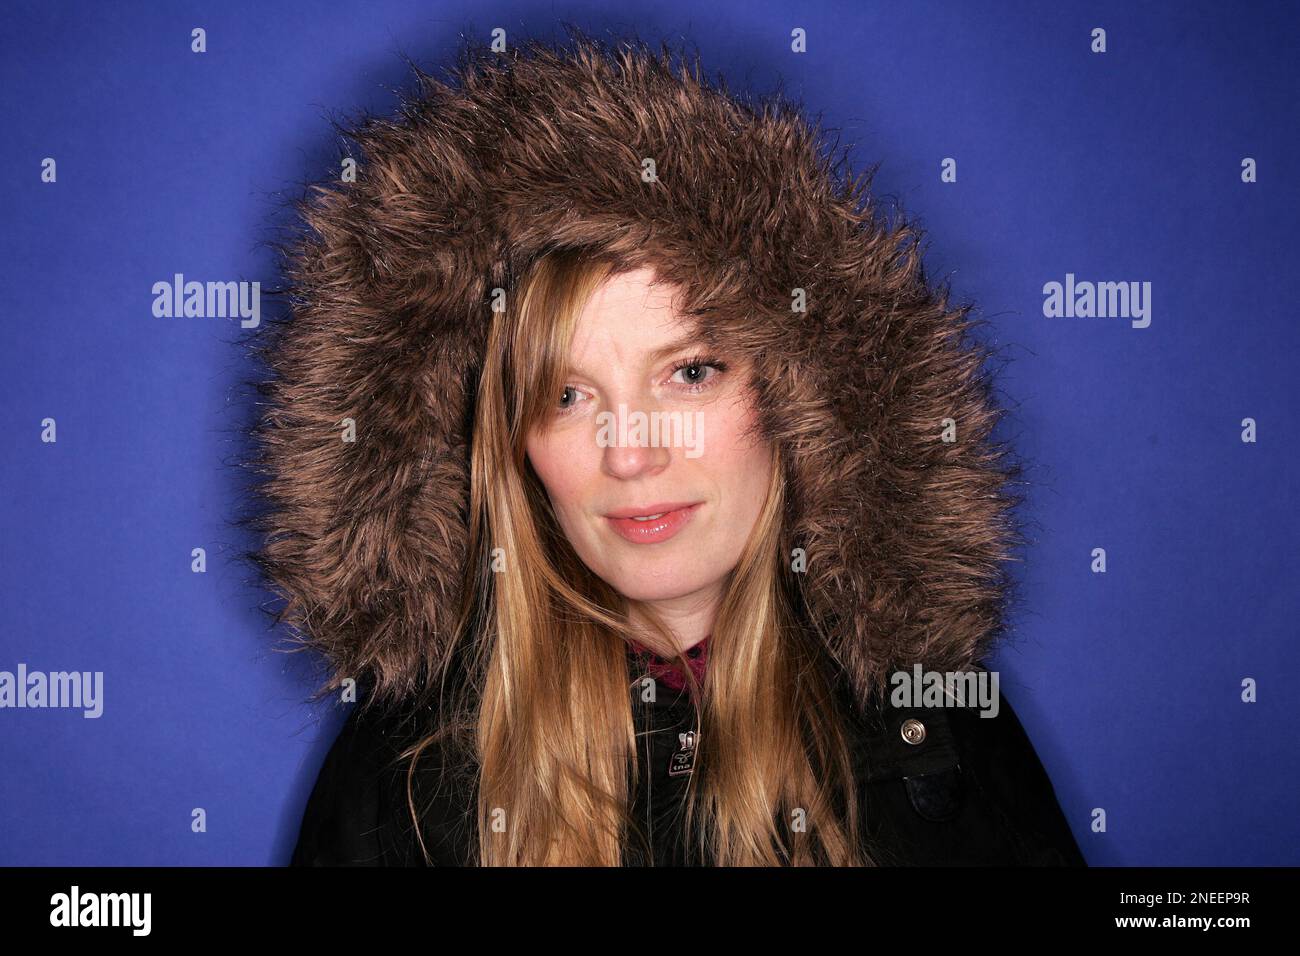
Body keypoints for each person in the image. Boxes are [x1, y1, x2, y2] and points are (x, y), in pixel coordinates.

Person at [246, 31, 1086, 866]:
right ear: (511, 442)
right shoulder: (403, 765)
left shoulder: (929, 722)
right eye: (567, 396)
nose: (630, 455)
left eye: (689, 372)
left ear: (802, 395)